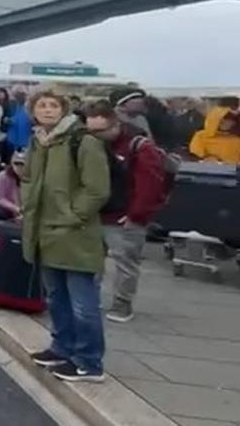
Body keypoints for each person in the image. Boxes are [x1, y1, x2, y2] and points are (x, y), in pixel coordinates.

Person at [21, 89, 110, 383]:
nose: (47, 110)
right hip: (44, 231)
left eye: (53, 105)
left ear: (64, 109)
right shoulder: (39, 141)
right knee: (56, 297)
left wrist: (72, 216)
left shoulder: (83, 141)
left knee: (83, 302)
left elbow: (96, 189)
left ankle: (88, 361)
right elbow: (30, 178)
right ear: (33, 111)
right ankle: (62, 348)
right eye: (41, 105)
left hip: (74, 233)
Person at [84, 100, 167, 324]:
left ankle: (123, 303)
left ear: (115, 125)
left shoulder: (139, 146)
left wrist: (136, 215)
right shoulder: (94, 143)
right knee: (90, 261)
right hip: (97, 212)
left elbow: (150, 185)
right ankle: (89, 299)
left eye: (100, 131)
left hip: (125, 215)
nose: (94, 135)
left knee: (125, 262)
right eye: (90, 131)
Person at [0, 150, 27, 221]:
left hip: (26, 208)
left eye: (22, 165)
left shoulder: (32, 178)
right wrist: (15, 208)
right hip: (10, 208)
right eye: (16, 164)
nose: (19, 168)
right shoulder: (3, 176)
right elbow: (0, 198)